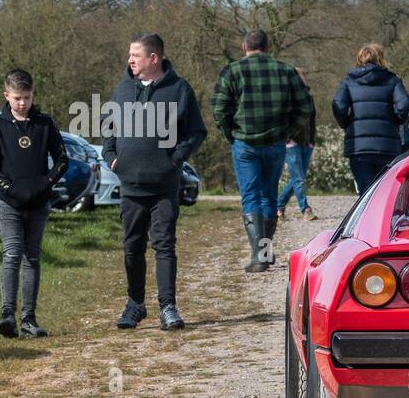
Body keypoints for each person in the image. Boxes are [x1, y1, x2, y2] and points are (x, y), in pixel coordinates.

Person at [102, 33, 208, 331]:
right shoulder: (123, 89)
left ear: (154, 58)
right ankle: (135, 305)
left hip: (164, 185)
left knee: (164, 245)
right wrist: (111, 156)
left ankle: (168, 307)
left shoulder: (179, 89)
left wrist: (173, 160)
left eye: (135, 55)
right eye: (129, 55)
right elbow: (108, 127)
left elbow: (196, 132)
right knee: (132, 247)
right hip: (130, 186)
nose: (130, 60)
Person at [212, 29, 313, 272]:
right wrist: (288, 131)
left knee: (250, 195)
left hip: (244, 143)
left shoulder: (232, 71)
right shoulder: (286, 71)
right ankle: (265, 253)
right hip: (276, 142)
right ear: (267, 47)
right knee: (268, 195)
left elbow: (219, 108)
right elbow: (305, 107)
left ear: (244, 47)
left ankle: (259, 255)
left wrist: (230, 134)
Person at [0, 69, 68, 339]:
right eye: (17, 98)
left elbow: (62, 159)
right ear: (7, 95)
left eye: (27, 97)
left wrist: (46, 183)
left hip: (39, 202)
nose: (22, 103)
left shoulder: (45, 124)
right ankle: (7, 315)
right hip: (9, 202)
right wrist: (10, 187)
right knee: (11, 254)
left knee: (32, 257)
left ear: (33, 96)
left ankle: (29, 319)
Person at [332, 43, 409, 196]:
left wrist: (346, 124)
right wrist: (398, 120)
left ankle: (368, 219)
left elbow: (338, 104)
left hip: (359, 147)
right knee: (385, 193)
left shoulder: (349, 81)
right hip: (387, 146)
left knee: (366, 194)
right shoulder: (392, 80)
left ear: (359, 59)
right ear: (380, 59)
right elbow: (405, 104)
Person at [277, 67, 318, 222]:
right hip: (291, 142)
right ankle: (305, 209)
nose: (302, 79)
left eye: (303, 76)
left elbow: (312, 120)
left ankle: (279, 205)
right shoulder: (286, 96)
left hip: (307, 142)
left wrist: (312, 140)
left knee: (298, 178)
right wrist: (287, 137)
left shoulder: (309, 97)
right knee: (299, 178)